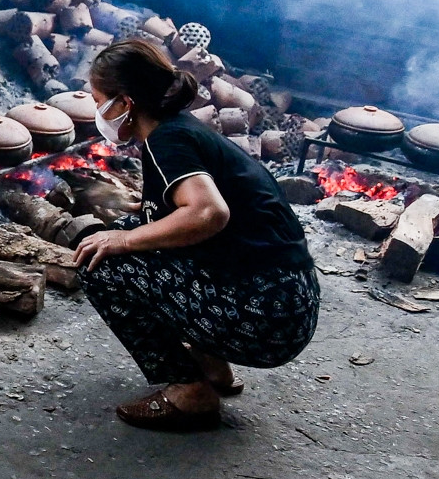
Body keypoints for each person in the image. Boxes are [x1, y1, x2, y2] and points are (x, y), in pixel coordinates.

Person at [74, 40, 318, 432]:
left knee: (101, 261)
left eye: (97, 99)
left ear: (125, 103)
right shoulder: (181, 130)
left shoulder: (166, 142)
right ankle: (212, 366)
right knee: (127, 235)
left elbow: (209, 212)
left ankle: (190, 392)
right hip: (288, 302)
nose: (96, 109)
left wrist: (122, 241)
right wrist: (142, 211)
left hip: (268, 318)